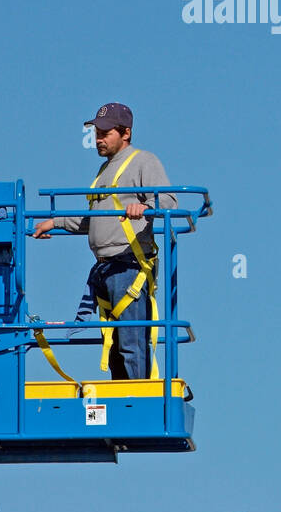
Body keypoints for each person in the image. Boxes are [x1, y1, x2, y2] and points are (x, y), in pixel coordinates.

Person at [33, 103, 176, 380]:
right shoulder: (104, 170)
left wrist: (145, 208)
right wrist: (56, 222)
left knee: (131, 342)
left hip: (128, 266)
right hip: (104, 268)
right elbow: (95, 218)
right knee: (113, 344)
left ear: (126, 133)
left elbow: (169, 201)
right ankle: (121, 394)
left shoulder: (143, 161)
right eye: (96, 132)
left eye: (105, 133)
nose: (98, 139)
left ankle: (137, 395)